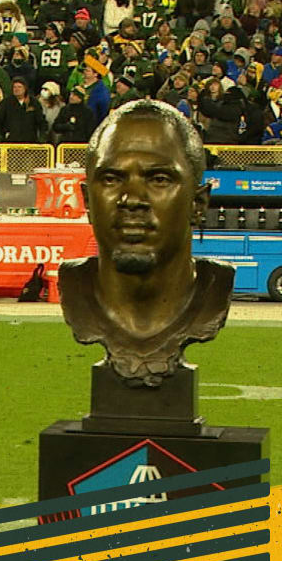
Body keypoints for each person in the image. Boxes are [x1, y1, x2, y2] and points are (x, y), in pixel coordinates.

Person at [59, 100, 232, 386]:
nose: (132, 199)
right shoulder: (76, 288)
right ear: (88, 202)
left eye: (159, 179)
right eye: (112, 179)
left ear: (198, 204)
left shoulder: (213, 291)